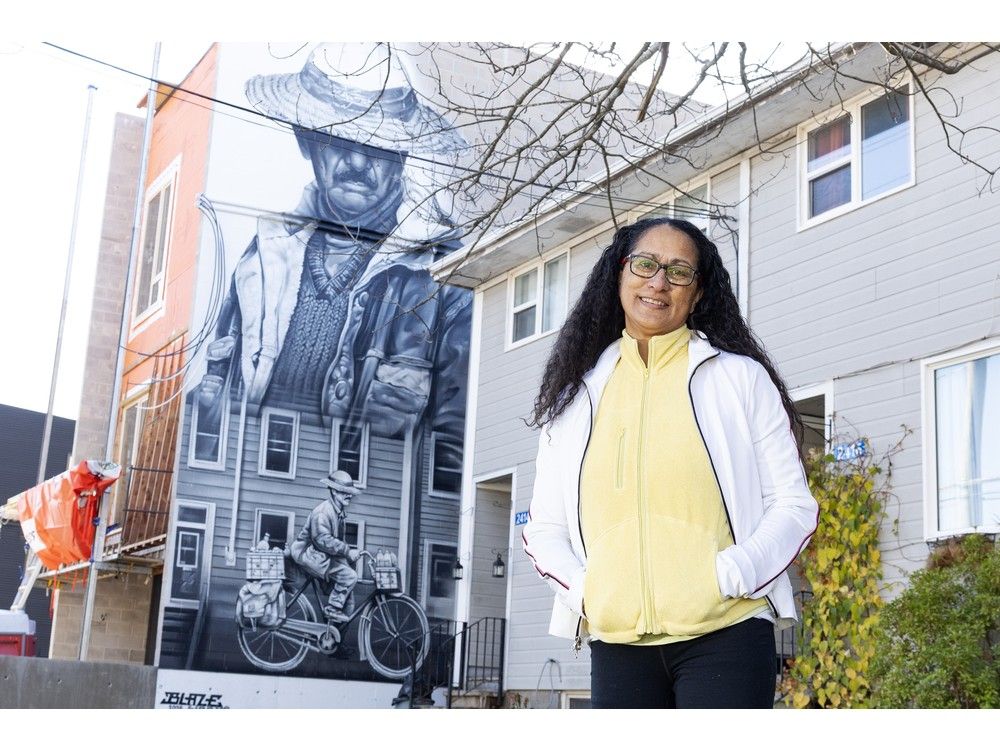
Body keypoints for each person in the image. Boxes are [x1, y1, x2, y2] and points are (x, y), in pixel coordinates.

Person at [521, 217, 819, 709]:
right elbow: (544, 526)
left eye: (679, 271)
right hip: (618, 646)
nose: (658, 282)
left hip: (727, 634)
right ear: (618, 275)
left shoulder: (739, 379)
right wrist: (588, 591)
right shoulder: (574, 399)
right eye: (645, 264)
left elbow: (792, 504)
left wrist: (734, 575)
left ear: (698, 293)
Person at [196, 43, 470, 443]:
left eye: (378, 146)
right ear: (306, 141)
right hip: (256, 481)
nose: (358, 164)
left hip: (353, 501)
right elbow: (217, 390)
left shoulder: (444, 278)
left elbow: (454, 444)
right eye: (340, 142)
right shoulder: (264, 256)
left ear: (403, 157)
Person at [289, 470, 362, 623]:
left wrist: (347, 558)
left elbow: (333, 544)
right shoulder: (322, 512)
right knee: (349, 577)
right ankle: (332, 609)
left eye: (350, 492)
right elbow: (322, 540)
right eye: (345, 492)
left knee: (348, 600)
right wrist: (348, 551)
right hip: (309, 554)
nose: (349, 495)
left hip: (323, 556)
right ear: (334, 491)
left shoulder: (339, 512)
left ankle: (335, 643)